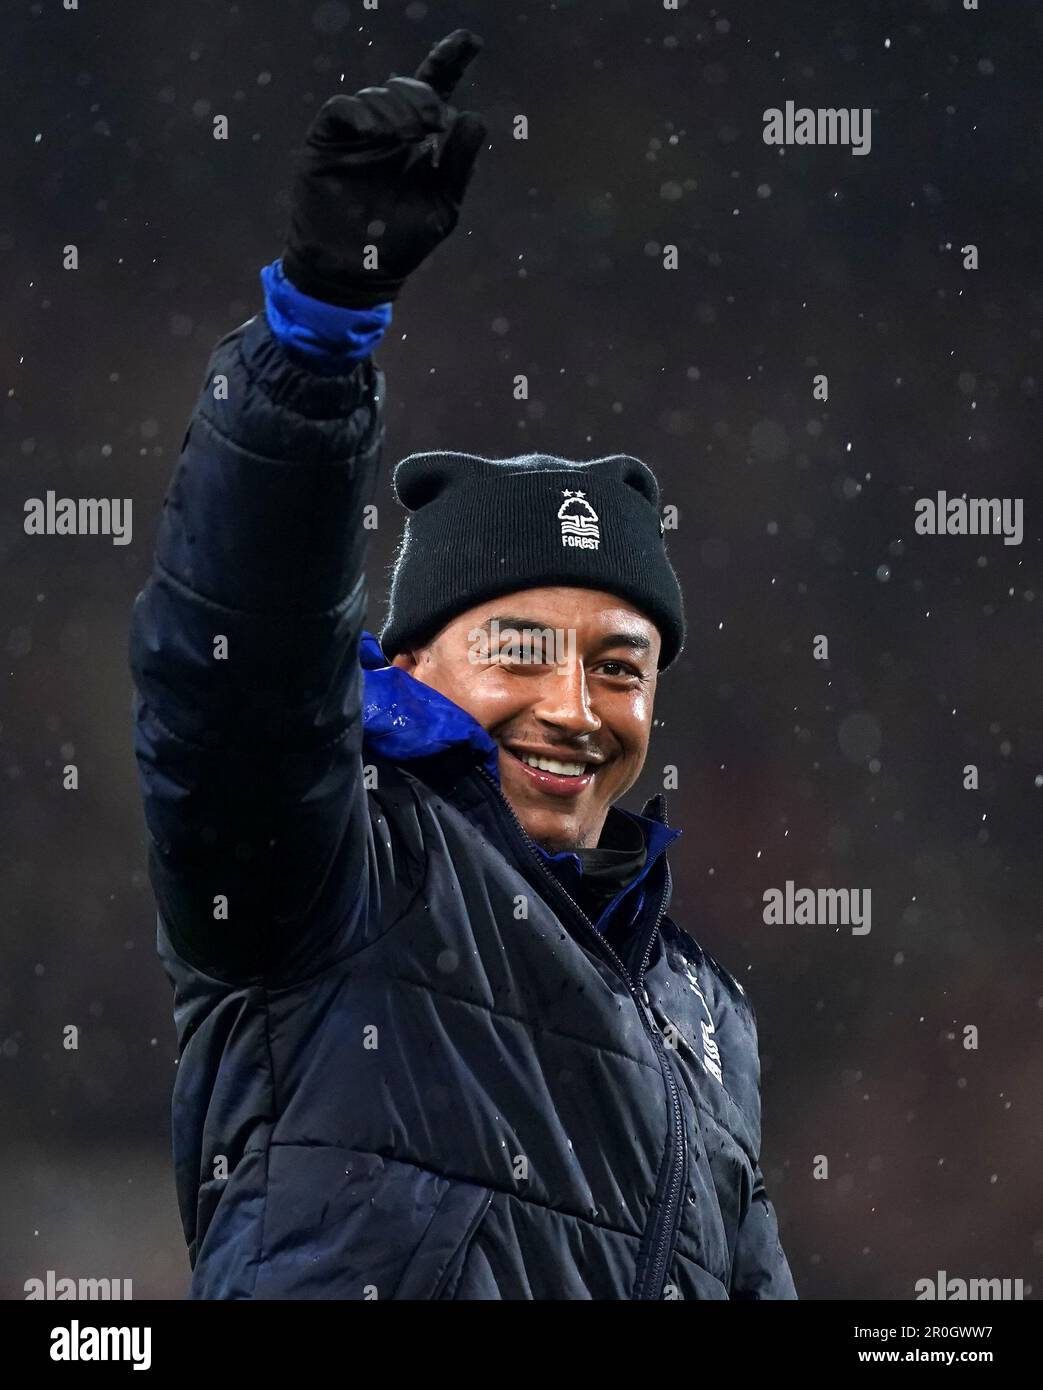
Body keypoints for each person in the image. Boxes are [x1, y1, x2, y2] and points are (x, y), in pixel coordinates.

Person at [129, 28, 797, 1300]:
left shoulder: (706, 1019)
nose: (571, 705)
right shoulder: (334, 863)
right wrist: (318, 330)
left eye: (619, 663)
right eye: (518, 648)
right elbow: (236, 666)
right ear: (409, 664)